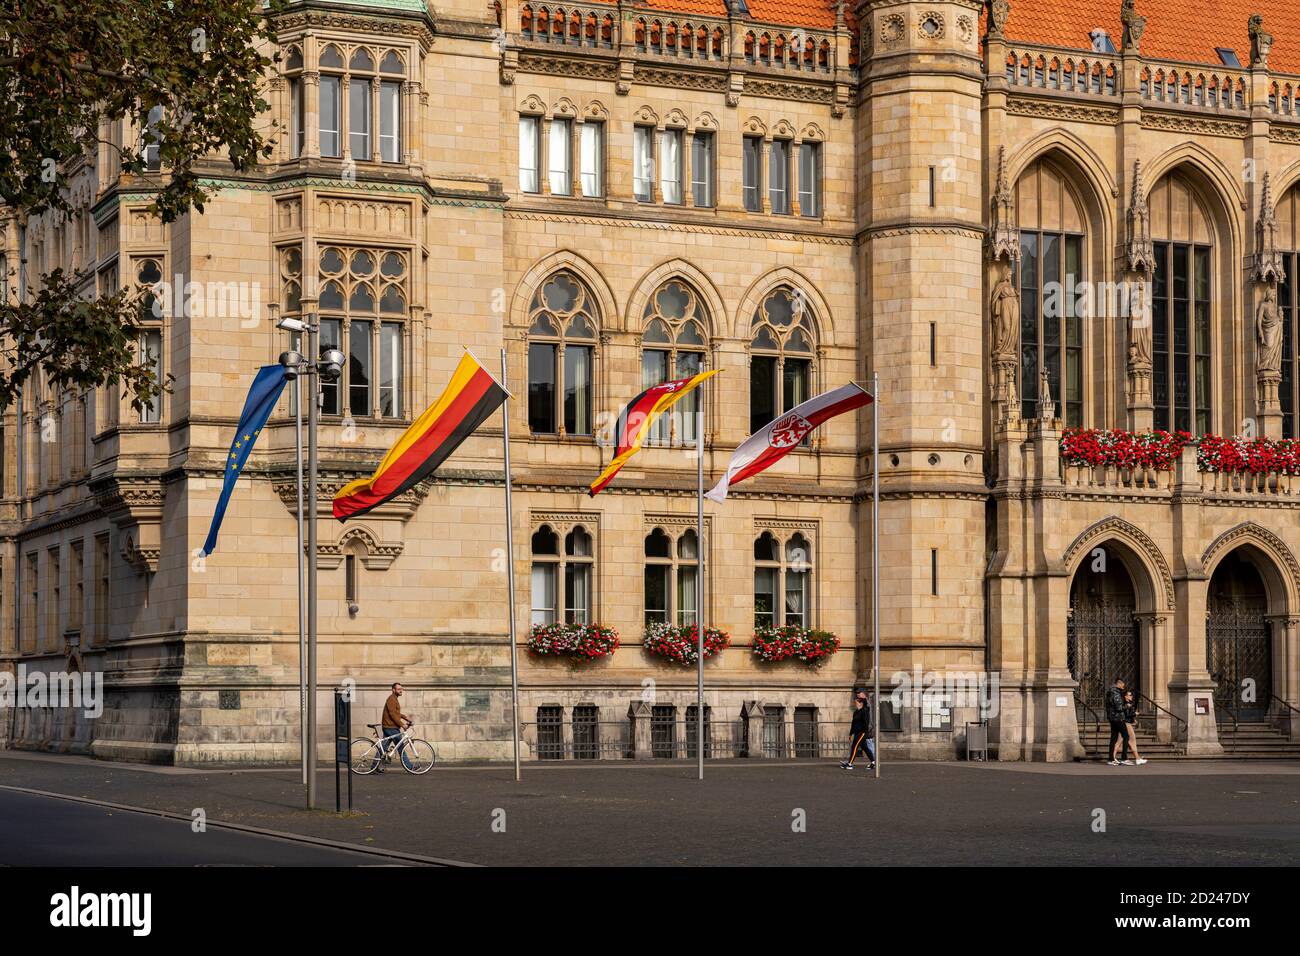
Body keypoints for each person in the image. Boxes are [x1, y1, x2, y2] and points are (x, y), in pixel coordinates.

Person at [379, 682, 411, 773]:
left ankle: (374, 767)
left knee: (383, 748)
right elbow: (392, 714)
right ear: (393, 690)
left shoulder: (394, 699)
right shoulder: (391, 699)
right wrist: (402, 725)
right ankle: (410, 767)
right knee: (401, 747)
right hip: (391, 727)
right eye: (399, 689)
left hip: (389, 726)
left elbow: (395, 713)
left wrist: (405, 717)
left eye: (401, 689)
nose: (401, 690)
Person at [840, 690, 876, 771]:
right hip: (857, 732)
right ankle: (873, 762)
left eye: (857, 702)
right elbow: (853, 723)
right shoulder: (856, 712)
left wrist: (864, 731)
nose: (855, 704)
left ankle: (850, 764)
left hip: (862, 732)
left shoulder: (865, 710)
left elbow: (866, 723)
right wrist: (850, 733)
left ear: (861, 703)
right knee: (865, 747)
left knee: (855, 746)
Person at [1118, 690, 1148, 766]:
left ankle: (1113, 758)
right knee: (1132, 740)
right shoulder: (1126, 704)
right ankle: (1137, 759)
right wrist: (1135, 714)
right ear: (1125, 696)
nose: (1131, 696)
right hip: (1126, 724)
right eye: (1130, 695)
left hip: (1126, 723)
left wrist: (1133, 719)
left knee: (1119, 742)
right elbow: (1127, 714)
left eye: (1131, 695)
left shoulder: (1127, 704)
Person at [1105, 677, 1127, 766]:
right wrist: (1127, 706)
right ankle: (1124, 758)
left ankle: (1111, 759)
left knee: (1113, 737)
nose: (1124, 686)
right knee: (1126, 736)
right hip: (1118, 718)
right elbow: (1119, 707)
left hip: (1112, 717)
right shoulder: (1116, 693)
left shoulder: (1110, 692)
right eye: (1123, 684)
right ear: (1119, 683)